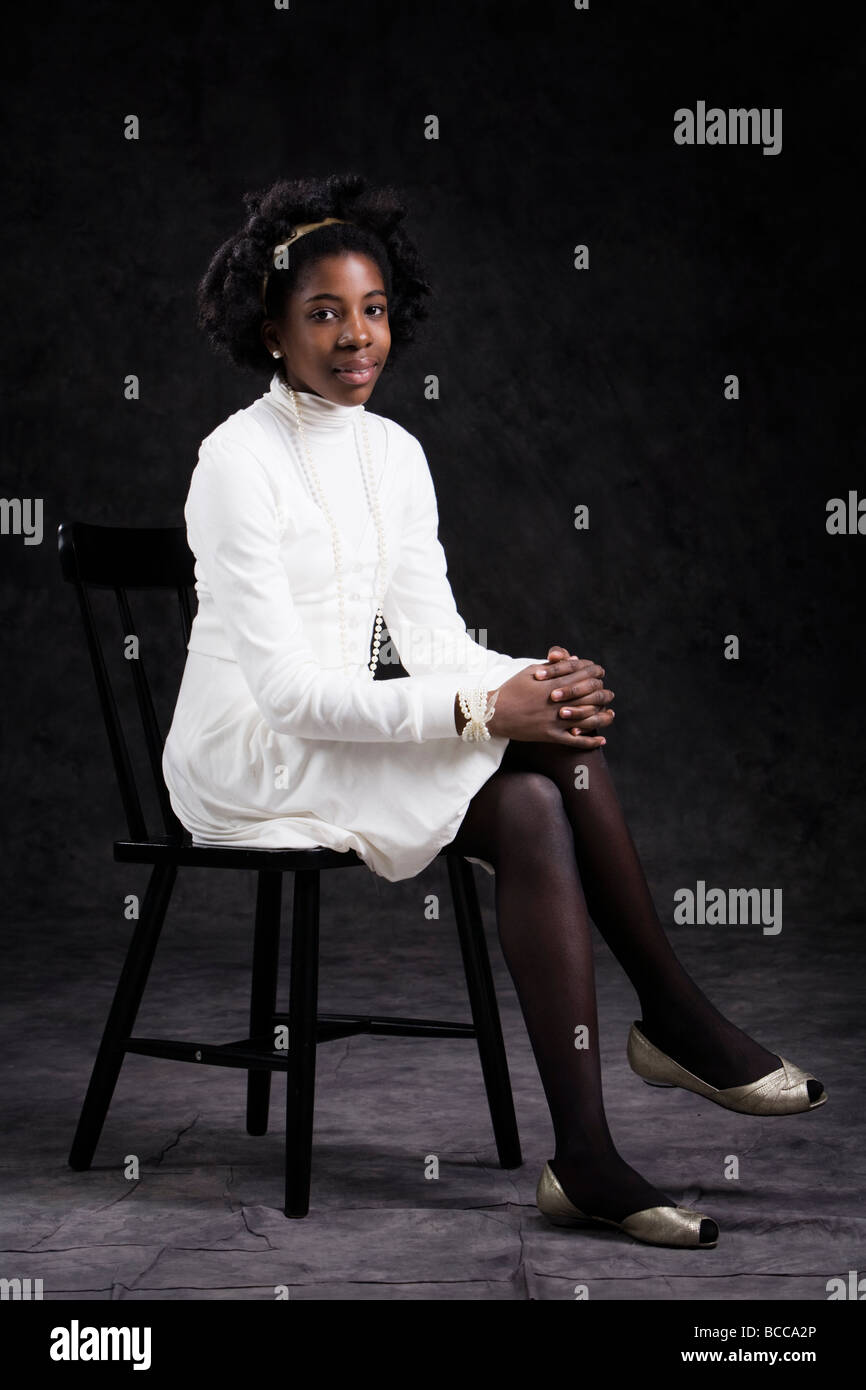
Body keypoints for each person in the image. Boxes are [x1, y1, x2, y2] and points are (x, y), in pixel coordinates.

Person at [162, 173, 826, 1250]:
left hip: (350, 723)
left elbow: (427, 641)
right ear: (270, 327)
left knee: (550, 763)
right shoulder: (233, 461)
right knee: (520, 767)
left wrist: (535, 680)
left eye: (371, 308)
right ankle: (671, 1032)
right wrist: (485, 704)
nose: (355, 336)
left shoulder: (394, 453)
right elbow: (285, 693)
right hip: (256, 752)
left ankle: (597, 1143)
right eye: (322, 312)